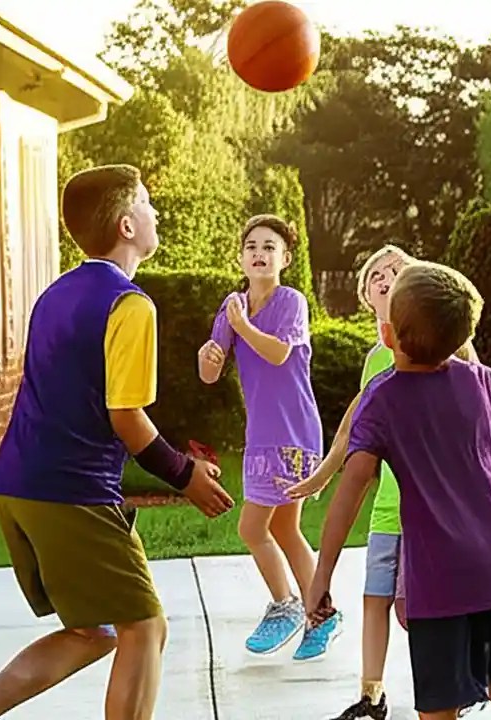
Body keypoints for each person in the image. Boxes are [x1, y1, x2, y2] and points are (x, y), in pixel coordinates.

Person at [0, 165, 234, 720]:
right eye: (148, 204)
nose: (156, 214)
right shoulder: (130, 305)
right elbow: (126, 418)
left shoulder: (55, 294)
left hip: (17, 484)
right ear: (128, 224)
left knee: (95, 630)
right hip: (71, 490)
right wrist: (185, 474)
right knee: (145, 628)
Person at [304, 261, 491, 720]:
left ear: (387, 335)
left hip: (440, 579)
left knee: (439, 708)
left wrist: (321, 577)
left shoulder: (382, 399)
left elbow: (351, 491)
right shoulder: (483, 381)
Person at [287, 245, 480, 720]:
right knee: (375, 598)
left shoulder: (449, 353)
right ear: (367, 295)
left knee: (417, 610)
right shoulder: (377, 360)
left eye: (398, 272)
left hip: (429, 511)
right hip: (387, 509)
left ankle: (459, 681)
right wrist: (321, 475)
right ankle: (371, 696)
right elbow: (354, 427)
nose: (386, 278)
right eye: (377, 274)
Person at [197, 215, 342, 662]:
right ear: (241, 257)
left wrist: (240, 329)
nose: (260, 252)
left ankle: (288, 606)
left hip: (292, 432)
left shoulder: (291, 302)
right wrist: (209, 355)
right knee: (283, 527)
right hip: (261, 435)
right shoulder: (233, 305)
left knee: (252, 526)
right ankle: (322, 613)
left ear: (286, 258)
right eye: (252, 246)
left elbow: (279, 353)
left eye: (270, 246)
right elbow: (210, 374)